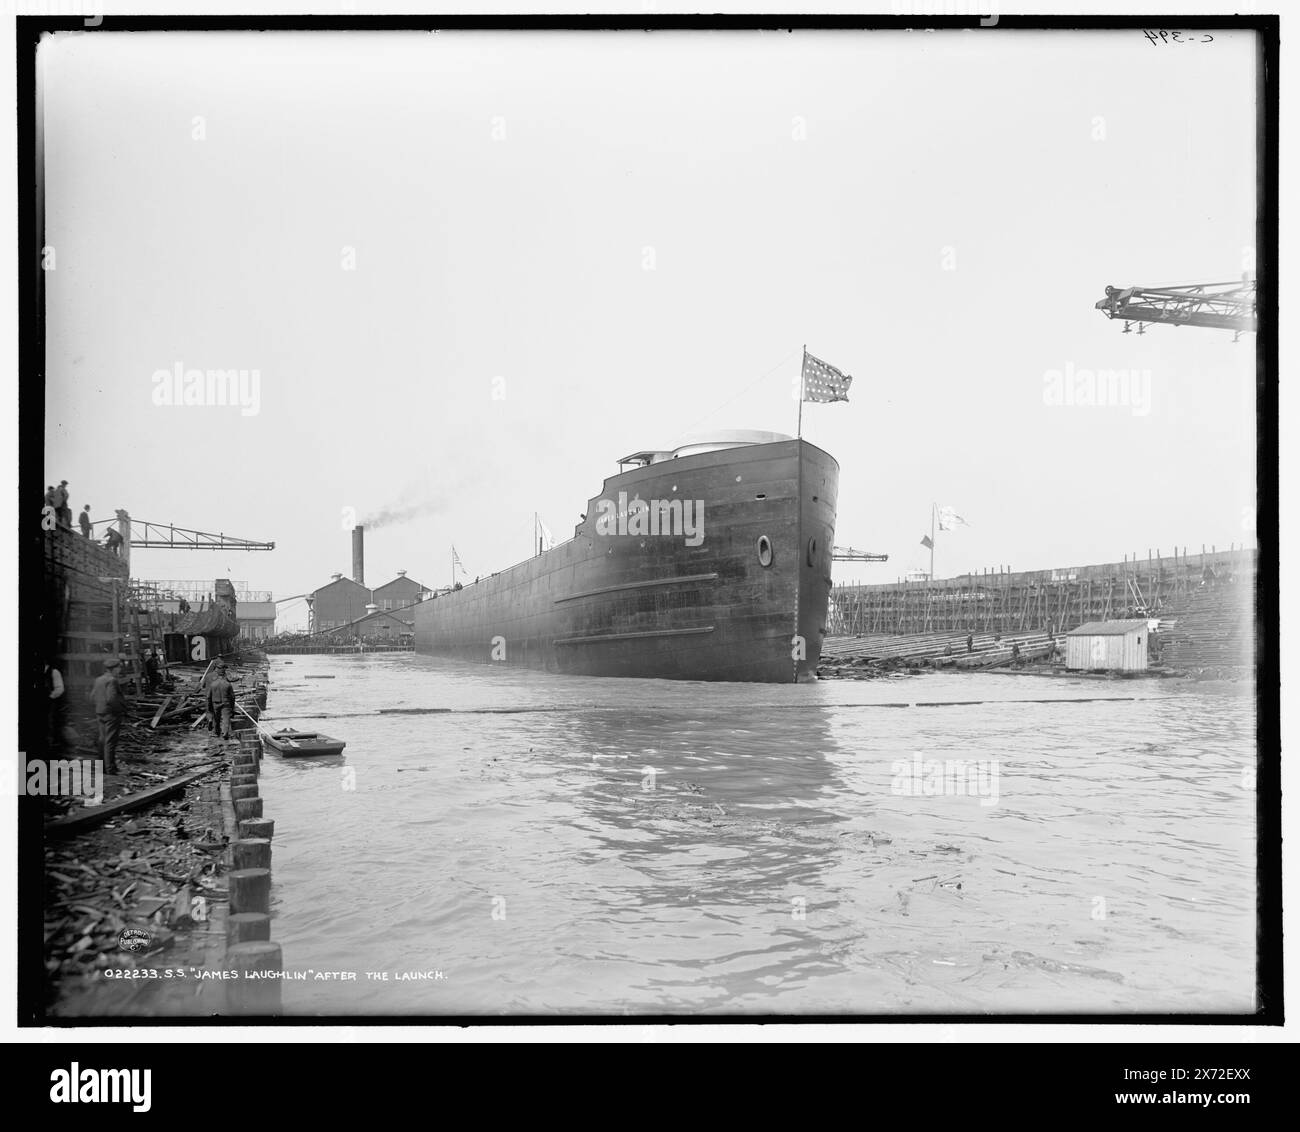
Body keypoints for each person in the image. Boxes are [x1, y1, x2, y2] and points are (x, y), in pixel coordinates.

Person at [88, 658, 126, 774]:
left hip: (100, 712)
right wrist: (120, 710)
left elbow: (91, 697)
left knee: (102, 740)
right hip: (112, 714)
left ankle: (102, 767)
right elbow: (112, 699)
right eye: (119, 667)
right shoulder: (112, 680)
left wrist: (100, 706)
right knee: (110, 741)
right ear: (114, 669)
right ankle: (110, 768)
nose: (120, 670)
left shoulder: (98, 679)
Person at [206, 662, 236, 740]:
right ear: (224, 675)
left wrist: (209, 708)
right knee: (226, 719)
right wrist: (232, 708)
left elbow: (208, 697)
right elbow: (232, 697)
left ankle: (216, 732)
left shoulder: (213, 684)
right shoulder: (227, 684)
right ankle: (225, 733)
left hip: (215, 703)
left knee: (216, 718)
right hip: (225, 703)